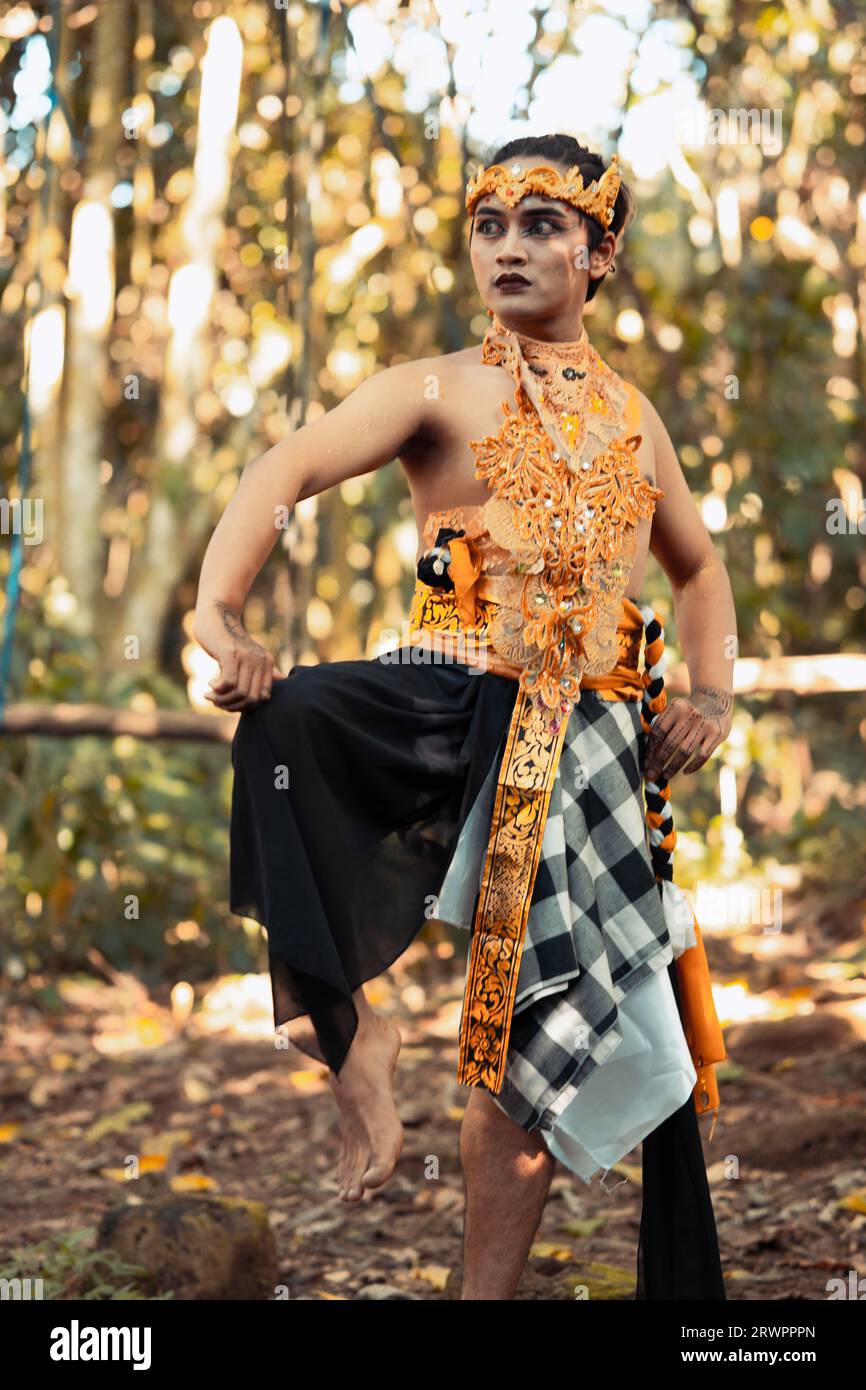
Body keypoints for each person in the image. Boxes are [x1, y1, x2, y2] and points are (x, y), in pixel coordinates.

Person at [193, 133, 736, 1301]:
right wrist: (217, 613)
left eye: (541, 222)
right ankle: (350, 1035)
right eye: (488, 224)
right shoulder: (434, 386)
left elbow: (698, 572)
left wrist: (710, 694)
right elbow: (277, 474)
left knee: (522, 1042)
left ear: (598, 253)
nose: (507, 245)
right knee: (287, 720)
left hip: (586, 746)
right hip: (450, 695)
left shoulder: (635, 420)